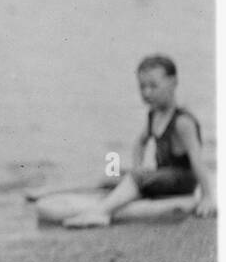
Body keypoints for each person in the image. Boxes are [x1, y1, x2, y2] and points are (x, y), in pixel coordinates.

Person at [64, 54, 216, 227]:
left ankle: (100, 213)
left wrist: (207, 197)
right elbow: (140, 142)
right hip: (165, 175)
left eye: (153, 86)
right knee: (113, 175)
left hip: (183, 179)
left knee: (136, 177)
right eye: (142, 87)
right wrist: (138, 166)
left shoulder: (182, 121)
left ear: (173, 83)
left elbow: (197, 160)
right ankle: (53, 191)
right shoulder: (155, 114)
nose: (147, 93)